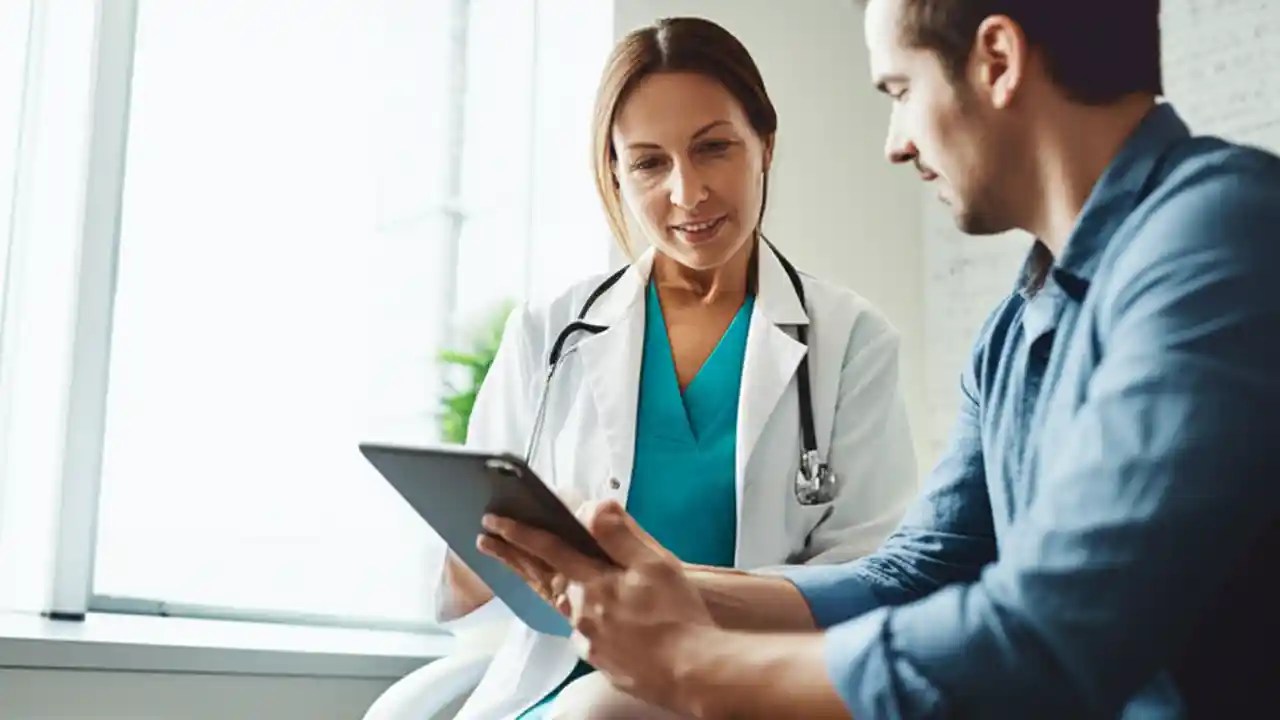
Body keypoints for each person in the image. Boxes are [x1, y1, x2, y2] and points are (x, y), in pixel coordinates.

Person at [479, 0, 1280, 717]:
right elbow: (913, 575)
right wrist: (669, 585)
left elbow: (1054, 630)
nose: (895, 143)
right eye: (648, 162)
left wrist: (699, 666)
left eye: (899, 90)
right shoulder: (1018, 323)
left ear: (996, 61)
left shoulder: (1221, 235)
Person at [435, 16, 920, 719]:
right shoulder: (549, 333)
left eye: (714, 149)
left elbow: (869, 578)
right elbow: (459, 583)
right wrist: (505, 545)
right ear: (616, 173)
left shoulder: (851, 342)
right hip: (555, 678)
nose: (687, 192)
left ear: (765, 147)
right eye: (649, 163)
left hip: (735, 683)